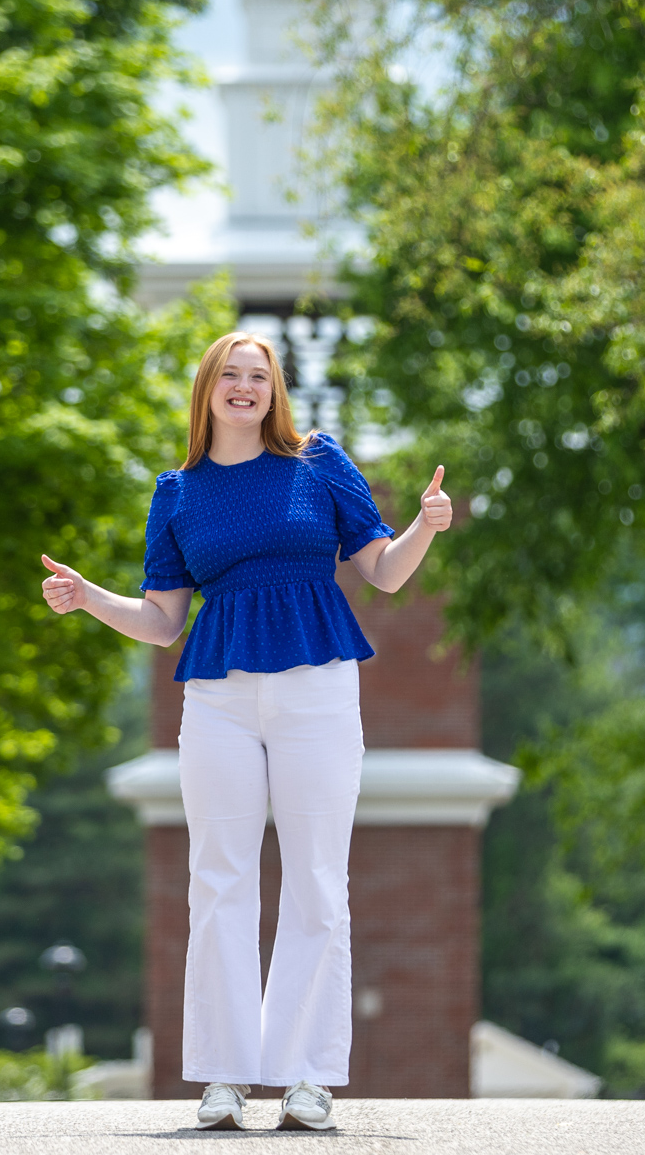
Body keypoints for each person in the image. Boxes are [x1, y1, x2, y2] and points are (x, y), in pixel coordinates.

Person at [39, 330, 451, 1131]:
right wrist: (90, 596)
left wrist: (426, 526)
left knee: (317, 882)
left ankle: (305, 1077)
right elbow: (163, 622)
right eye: (229, 374)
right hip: (219, 700)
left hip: (316, 686)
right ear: (207, 389)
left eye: (258, 376)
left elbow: (383, 572)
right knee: (220, 879)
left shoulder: (319, 463)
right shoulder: (178, 492)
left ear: (275, 391)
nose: (244, 387)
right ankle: (224, 1078)